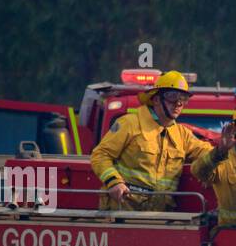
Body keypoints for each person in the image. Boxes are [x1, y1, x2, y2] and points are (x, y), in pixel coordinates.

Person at [90, 70, 213, 210]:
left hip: (159, 216)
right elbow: (100, 155)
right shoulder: (130, 124)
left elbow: (207, 152)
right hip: (123, 212)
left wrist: (219, 161)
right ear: (156, 99)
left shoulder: (182, 135)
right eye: (172, 96)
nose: (178, 103)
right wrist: (114, 182)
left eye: (183, 98)